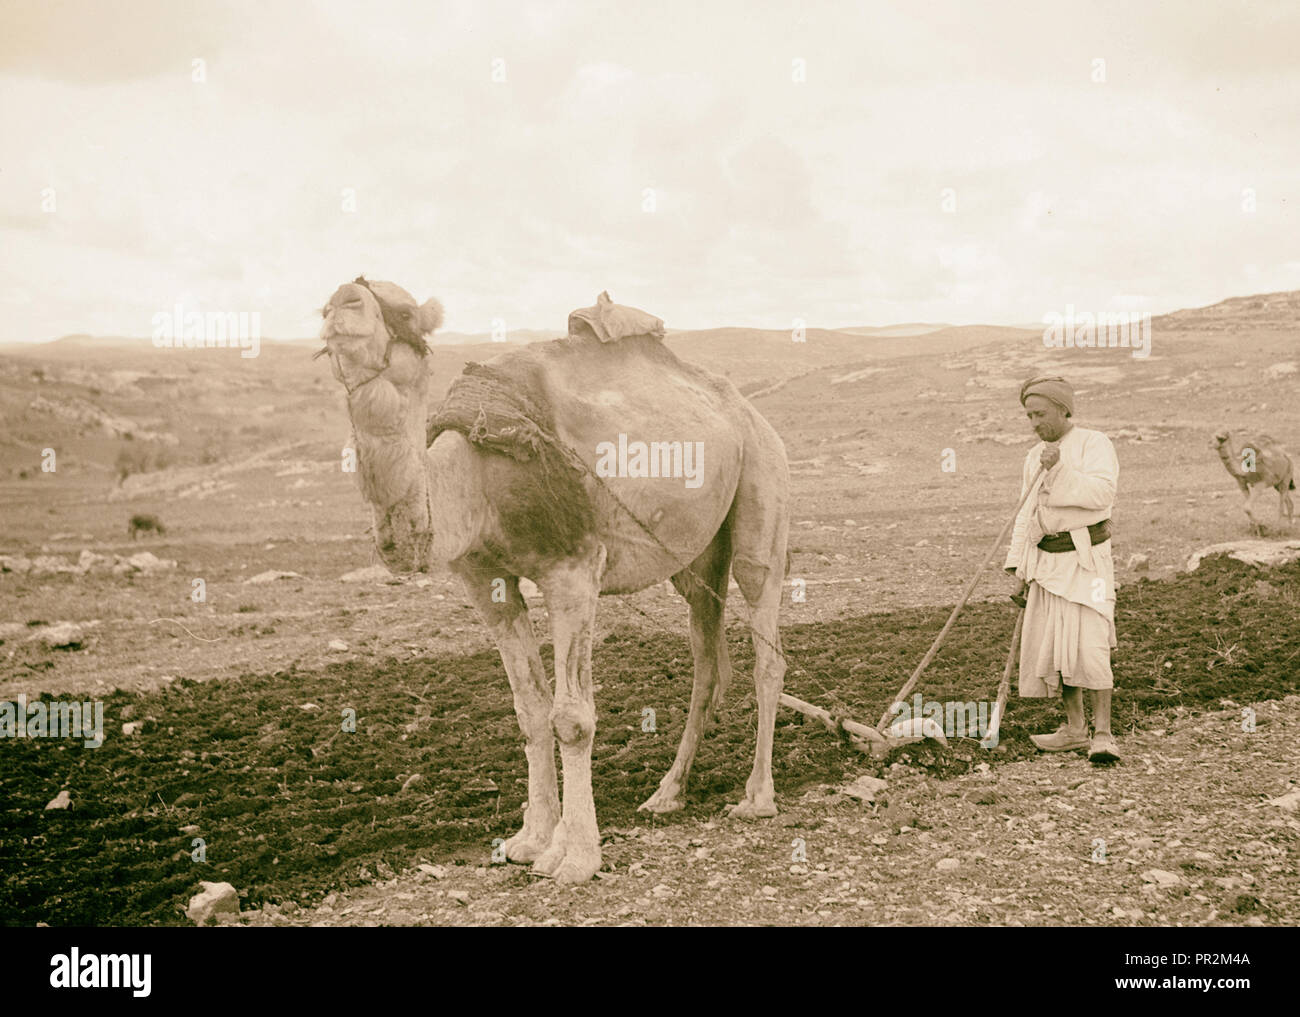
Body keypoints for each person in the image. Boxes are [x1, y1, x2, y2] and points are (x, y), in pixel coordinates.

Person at [1004, 375, 1121, 763]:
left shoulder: (1094, 443)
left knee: (1090, 645)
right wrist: (1018, 566)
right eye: (1028, 416)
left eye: (1040, 413)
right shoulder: (1031, 456)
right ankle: (1074, 730)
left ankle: (1103, 734)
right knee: (1056, 647)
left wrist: (1058, 471)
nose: (1035, 422)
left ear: (1062, 409)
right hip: (1046, 563)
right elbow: (1026, 513)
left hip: (1087, 560)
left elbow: (1102, 494)